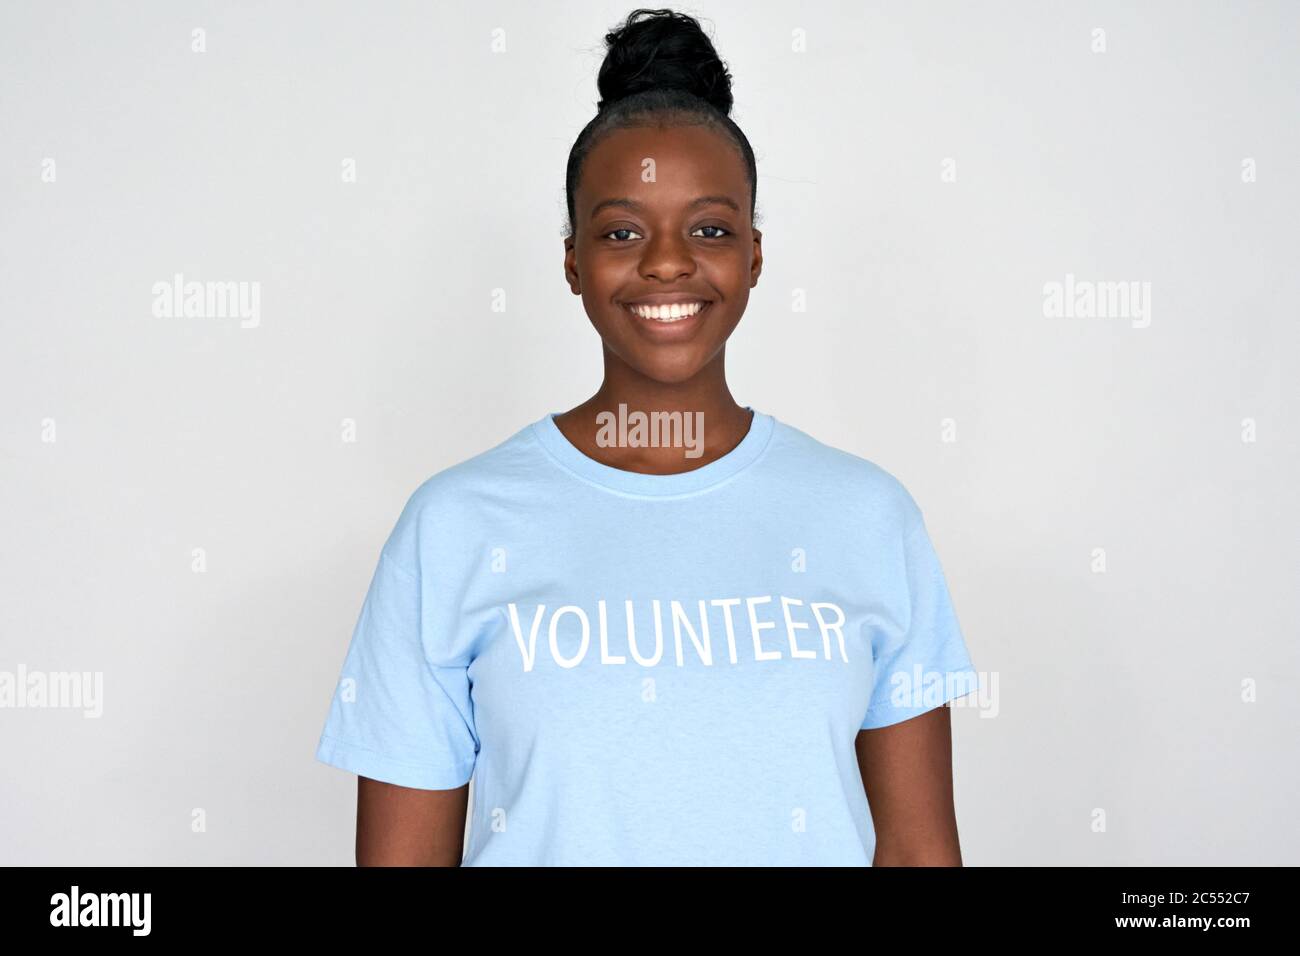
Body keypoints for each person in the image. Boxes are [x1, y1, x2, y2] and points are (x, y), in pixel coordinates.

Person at [315, 7, 979, 866]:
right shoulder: (454, 527)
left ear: (755, 253)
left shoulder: (867, 517)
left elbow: (921, 852)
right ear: (572, 261)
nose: (668, 263)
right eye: (623, 231)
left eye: (710, 229)